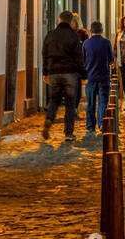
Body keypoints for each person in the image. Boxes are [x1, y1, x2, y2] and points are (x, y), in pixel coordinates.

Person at [41, 10, 86, 141]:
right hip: (69, 73)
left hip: (54, 72)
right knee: (70, 103)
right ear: (71, 21)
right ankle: (68, 133)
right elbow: (79, 58)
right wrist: (83, 74)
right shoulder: (73, 36)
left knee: (54, 100)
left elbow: (45, 54)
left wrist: (45, 72)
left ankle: (49, 120)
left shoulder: (51, 35)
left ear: (59, 20)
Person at [82, 21, 114, 136]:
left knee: (90, 103)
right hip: (104, 77)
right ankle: (101, 124)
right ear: (102, 31)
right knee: (102, 102)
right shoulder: (106, 43)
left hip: (90, 77)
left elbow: (83, 60)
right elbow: (111, 59)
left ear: (91, 31)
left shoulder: (86, 44)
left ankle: (90, 126)